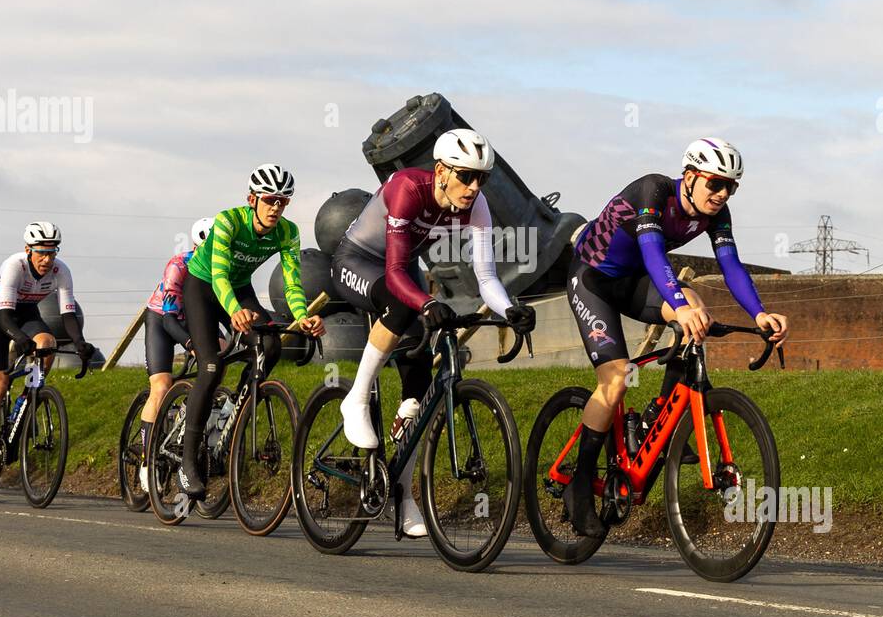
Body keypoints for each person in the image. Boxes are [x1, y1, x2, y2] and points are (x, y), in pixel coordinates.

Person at [564, 138, 789, 536]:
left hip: (633, 281)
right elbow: (654, 254)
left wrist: (760, 313)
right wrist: (677, 304)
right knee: (615, 380)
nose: (721, 194)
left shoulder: (716, 214)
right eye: (714, 184)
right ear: (689, 176)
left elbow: (731, 265)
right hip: (593, 279)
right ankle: (580, 485)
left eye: (730, 187)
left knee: (697, 310)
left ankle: (657, 416)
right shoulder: (654, 190)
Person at [331, 128, 537, 537]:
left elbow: (486, 278)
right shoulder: (409, 186)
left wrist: (511, 308)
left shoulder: (476, 206)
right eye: (466, 176)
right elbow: (391, 274)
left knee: (418, 389)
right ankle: (355, 399)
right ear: (441, 170)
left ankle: (403, 497)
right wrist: (426, 303)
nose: (474, 186)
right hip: (357, 260)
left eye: (483, 178)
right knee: (401, 306)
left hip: (401, 267)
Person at [177, 164, 325, 500]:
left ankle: (235, 409)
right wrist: (233, 312)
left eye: (283, 202)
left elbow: (292, 281)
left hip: (239, 289)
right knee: (212, 366)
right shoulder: (229, 221)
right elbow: (218, 276)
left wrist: (302, 317)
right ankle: (187, 464)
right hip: (203, 287)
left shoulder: (287, 232)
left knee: (270, 345)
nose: (276, 208)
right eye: (270, 200)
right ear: (252, 199)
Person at [0, 222, 94, 487]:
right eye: (41, 252)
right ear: (28, 249)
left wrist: (81, 342)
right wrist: (19, 339)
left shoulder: (61, 271)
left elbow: (68, 314)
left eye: (52, 252)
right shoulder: (13, 266)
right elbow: (5, 318)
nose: (47, 259)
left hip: (27, 314)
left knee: (47, 342)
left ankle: (29, 397)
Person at [137, 216, 215, 492]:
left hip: (192, 319)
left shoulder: (220, 269)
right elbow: (170, 320)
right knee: (161, 386)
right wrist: (190, 343)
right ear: (196, 246)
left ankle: (187, 417)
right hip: (163, 319)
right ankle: (146, 461)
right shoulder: (179, 265)